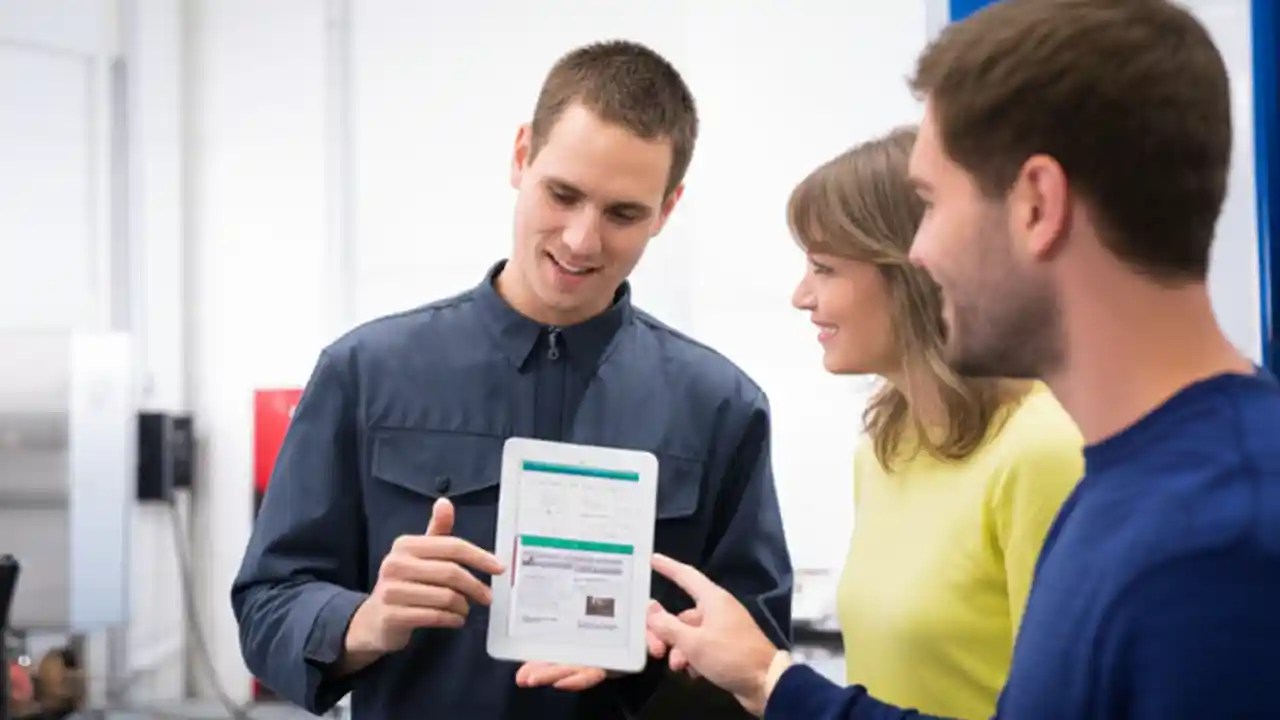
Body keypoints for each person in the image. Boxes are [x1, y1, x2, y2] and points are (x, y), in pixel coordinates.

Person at [644, 1, 1280, 718]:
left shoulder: (1221, 542)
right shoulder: (1141, 488)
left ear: (1037, 204)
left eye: (932, 202)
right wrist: (769, 681)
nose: (918, 251)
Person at [231, 39, 793, 720]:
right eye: (563, 194)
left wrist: (651, 659)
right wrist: (363, 622)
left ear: (667, 209)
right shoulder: (367, 374)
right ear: (522, 155)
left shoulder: (719, 409)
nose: (583, 240)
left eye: (623, 213)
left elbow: (759, 663)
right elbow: (267, 606)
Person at [783, 128, 1081, 719]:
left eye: (824, 268)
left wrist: (779, 688)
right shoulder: (885, 447)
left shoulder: (1043, 450)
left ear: (912, 273)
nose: (801, 296)